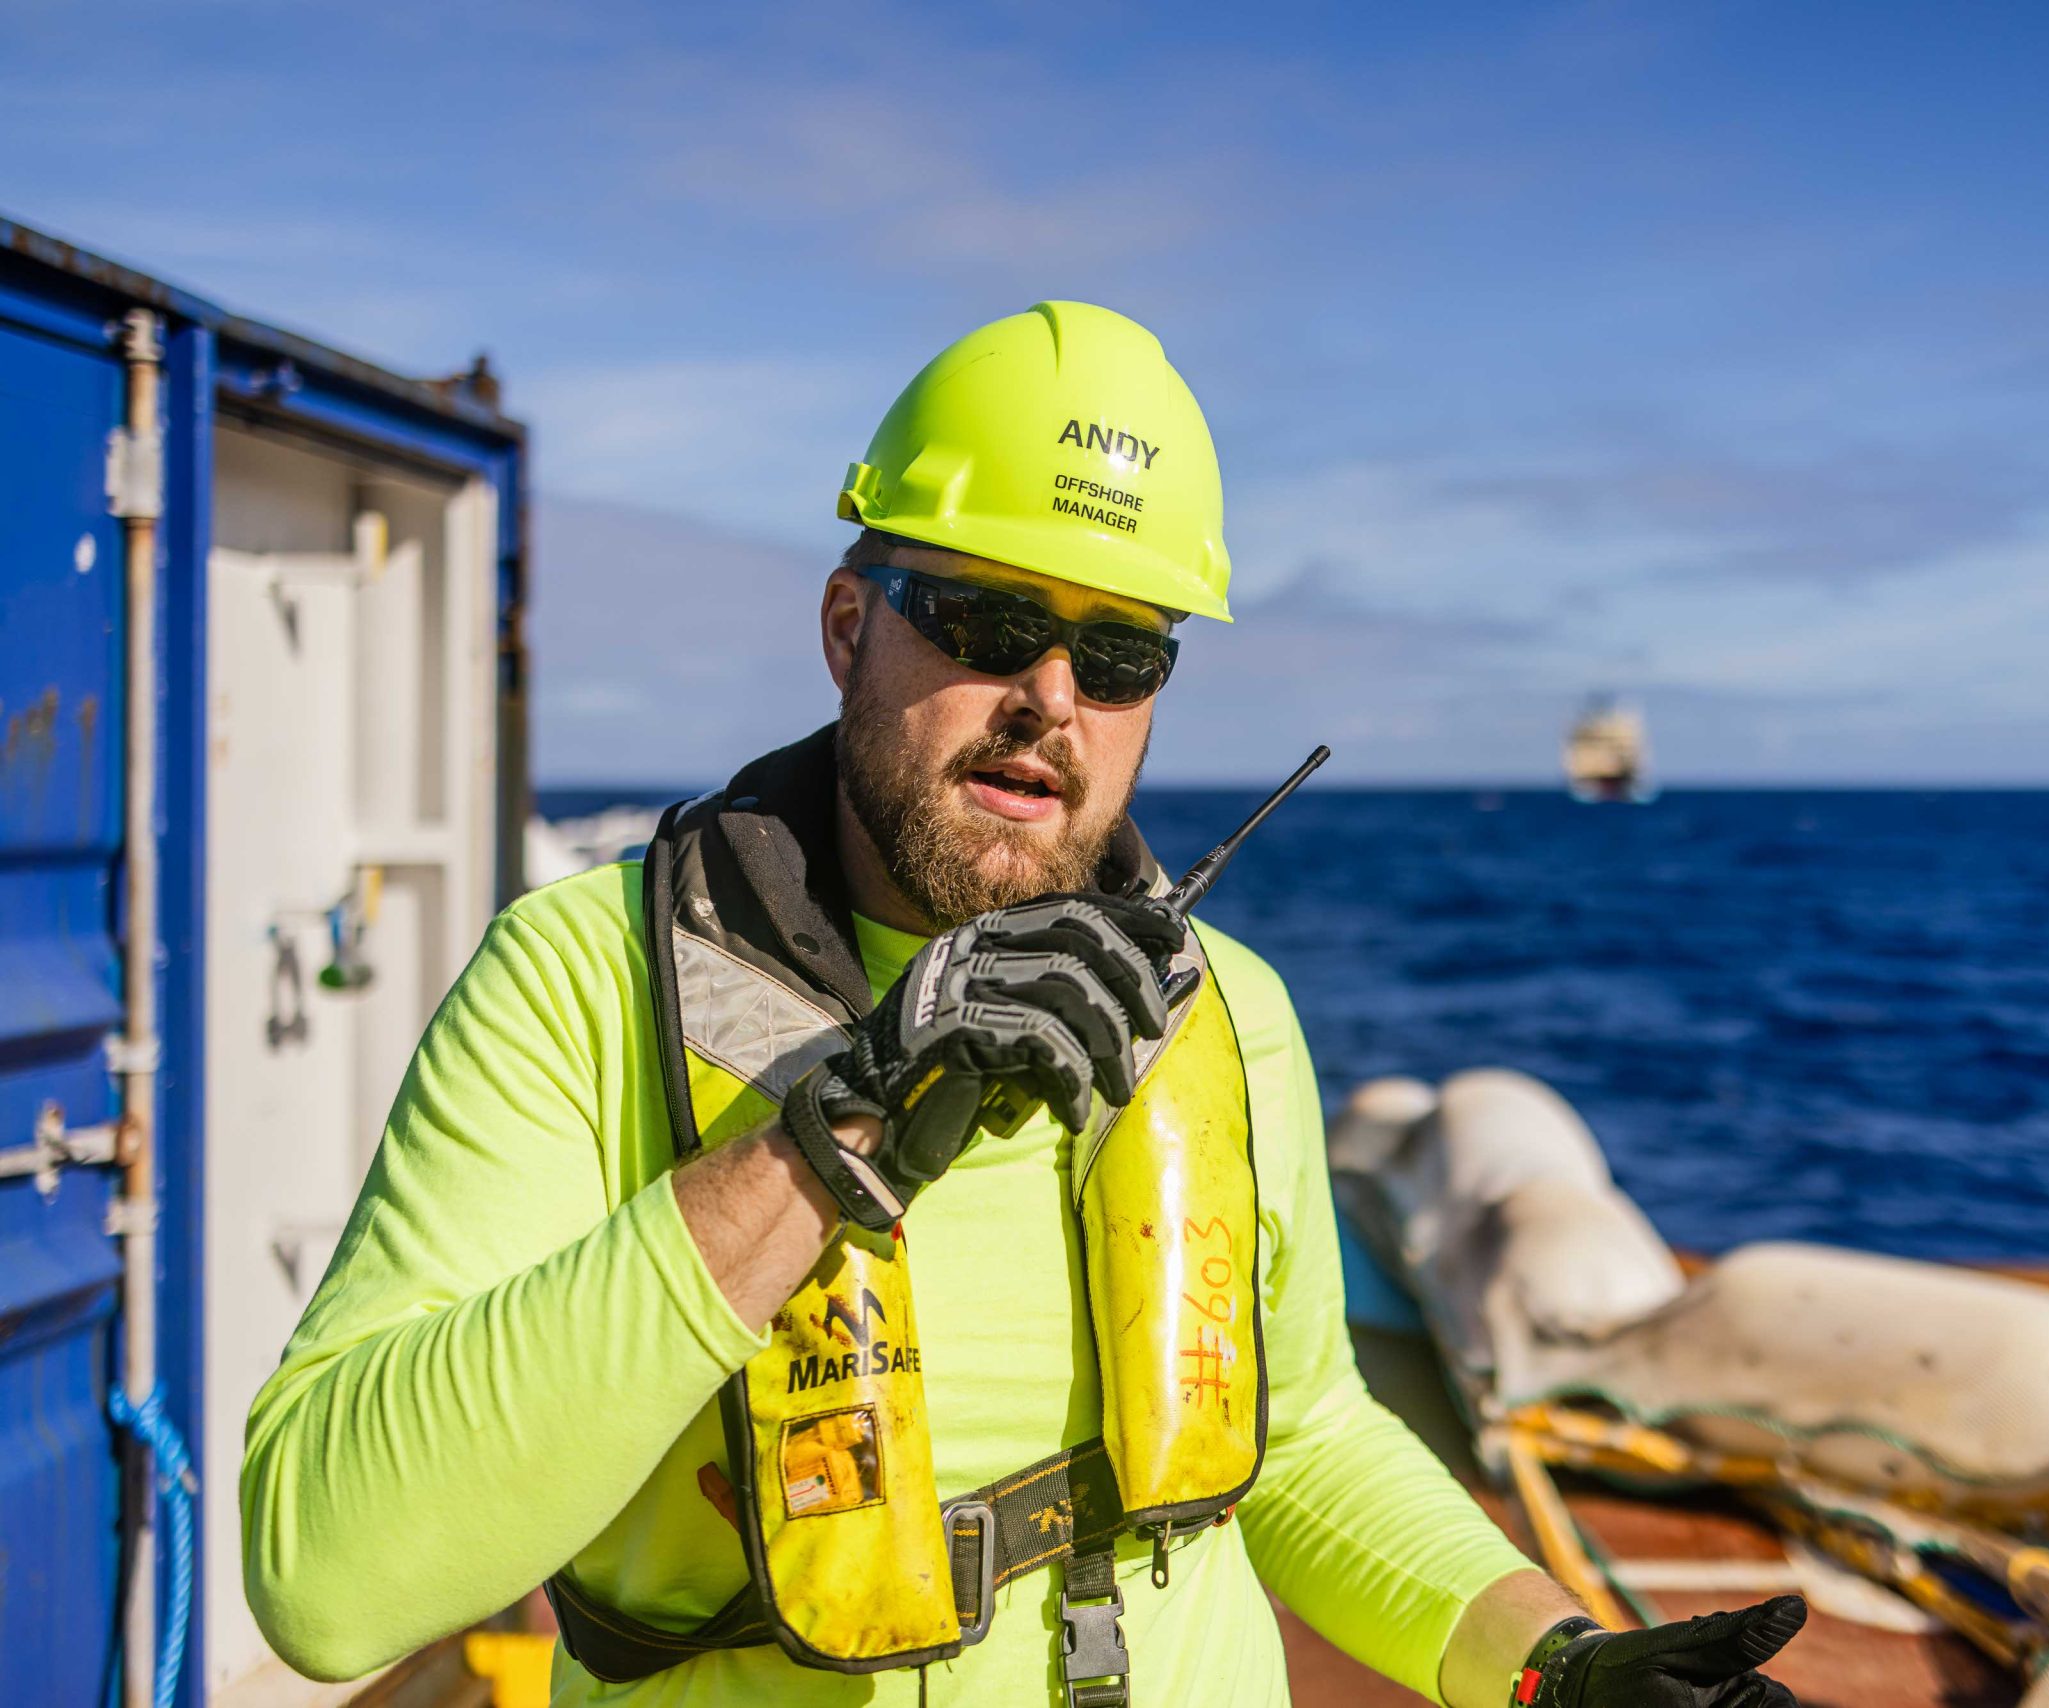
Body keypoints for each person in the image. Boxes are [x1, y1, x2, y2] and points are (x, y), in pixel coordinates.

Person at [241, 302, 1801, 1708]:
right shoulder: (585, 982)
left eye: (1118, 653)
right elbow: (326, 1580)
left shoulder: (1224, 1012)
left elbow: (1305, 1441)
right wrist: (835, 1133)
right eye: (988, 623)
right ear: (849, 628)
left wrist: (1552, 1663)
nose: (1051, 696)